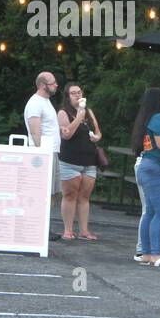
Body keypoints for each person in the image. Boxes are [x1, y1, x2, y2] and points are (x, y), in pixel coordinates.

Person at [131, 86, 160, 268]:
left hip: (149, 168)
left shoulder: (148, 119)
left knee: (150, 212)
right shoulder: (159, 119)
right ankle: (156, 254)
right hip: (158, 170)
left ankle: (146, 254)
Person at [57, 81, 102, 241]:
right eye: (73, 93)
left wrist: (96, 137)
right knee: (70, 195)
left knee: (84, 196)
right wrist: (78, 118)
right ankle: (68, 230)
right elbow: (66, 134)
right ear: (68, 97)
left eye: (79, 92)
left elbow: (98, 132)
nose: (77, 95)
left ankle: (84, 230)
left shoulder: (88, 111)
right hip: (70, 160)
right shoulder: (63, 113)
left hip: (89, 161)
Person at [24, 71, 62, 205]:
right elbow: (35, 132)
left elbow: (47, 126)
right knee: (44, 194)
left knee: (53, 194)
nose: (56, 85)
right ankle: (39, 223)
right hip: (44, 154)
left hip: (52, 152)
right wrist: (42, 157)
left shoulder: (45, 101)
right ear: (42, 85)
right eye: (52, 83)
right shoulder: (35, 103)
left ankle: (44, 223)